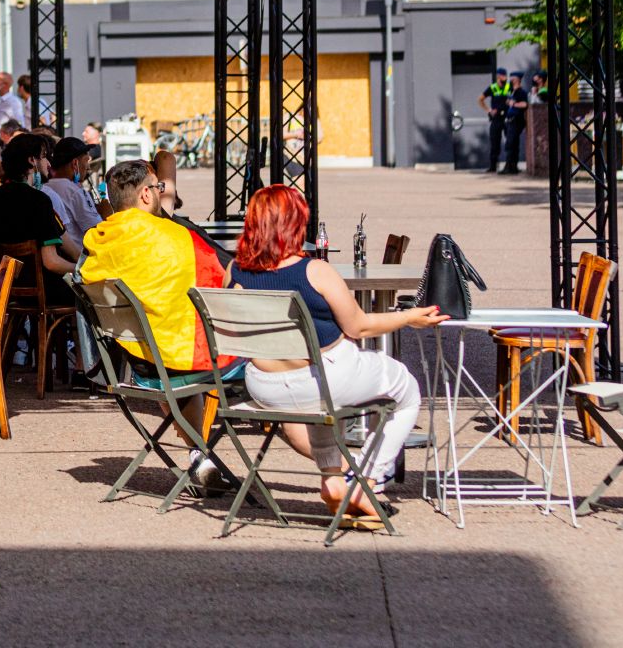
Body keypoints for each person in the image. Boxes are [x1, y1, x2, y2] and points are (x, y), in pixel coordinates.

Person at [228, 184, 445, 523]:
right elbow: (357, 327)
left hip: (264, 385)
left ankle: (333, 479)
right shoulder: (315, 271)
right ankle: (368, 479)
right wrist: (408, 317)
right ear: (295, 223)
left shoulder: (235, 273)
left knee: (322, 399)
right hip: (322, 377)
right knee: (404, 389)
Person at [80, 158, 245, 486]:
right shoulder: (178, 237)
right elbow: (226, 287)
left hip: (136, 364)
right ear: (144, 195)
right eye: (158, 188)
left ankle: (199, 455)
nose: (160, 192)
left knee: (176, 359)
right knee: (272, 360)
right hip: (182, 362)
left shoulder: (97, 241)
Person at [0, 133, 76, 302]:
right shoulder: (39, 200)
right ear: (32, 161)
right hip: (45, 291)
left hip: (5, 288)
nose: (48, 163)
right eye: (43, 157)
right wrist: (81, 270)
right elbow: (52, 262)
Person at [42, 137, 102, 260]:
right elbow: (97, 233)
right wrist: (106, 214)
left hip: (60, 255)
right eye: (86, 161)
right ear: (75, 163)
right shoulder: (74, 191)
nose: (88, 167)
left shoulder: (45, 188)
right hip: (79, 259)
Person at [480, 68, 510, 174]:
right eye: (502, 75)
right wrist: (489, 110)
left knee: (510, 142)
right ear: (498, 76)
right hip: (496, 119)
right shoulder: (493, 87)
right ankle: (493, 166)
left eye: (505, 76)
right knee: (494, 142)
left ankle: (510, 165)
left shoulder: (509, 87)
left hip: (507, 118)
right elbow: (480, 99)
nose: (504, 78)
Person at [502, 71, 530, 175]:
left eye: (513, 77)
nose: (511, 78)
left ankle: (510, 167)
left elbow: (524, 104)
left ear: (518, 79)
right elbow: (507, 100)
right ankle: (511, 166)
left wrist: (514, 104)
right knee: (511, 144)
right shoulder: (510, 90)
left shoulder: (521, 92)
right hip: (509, 120)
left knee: (511, 144)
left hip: (516, 120)